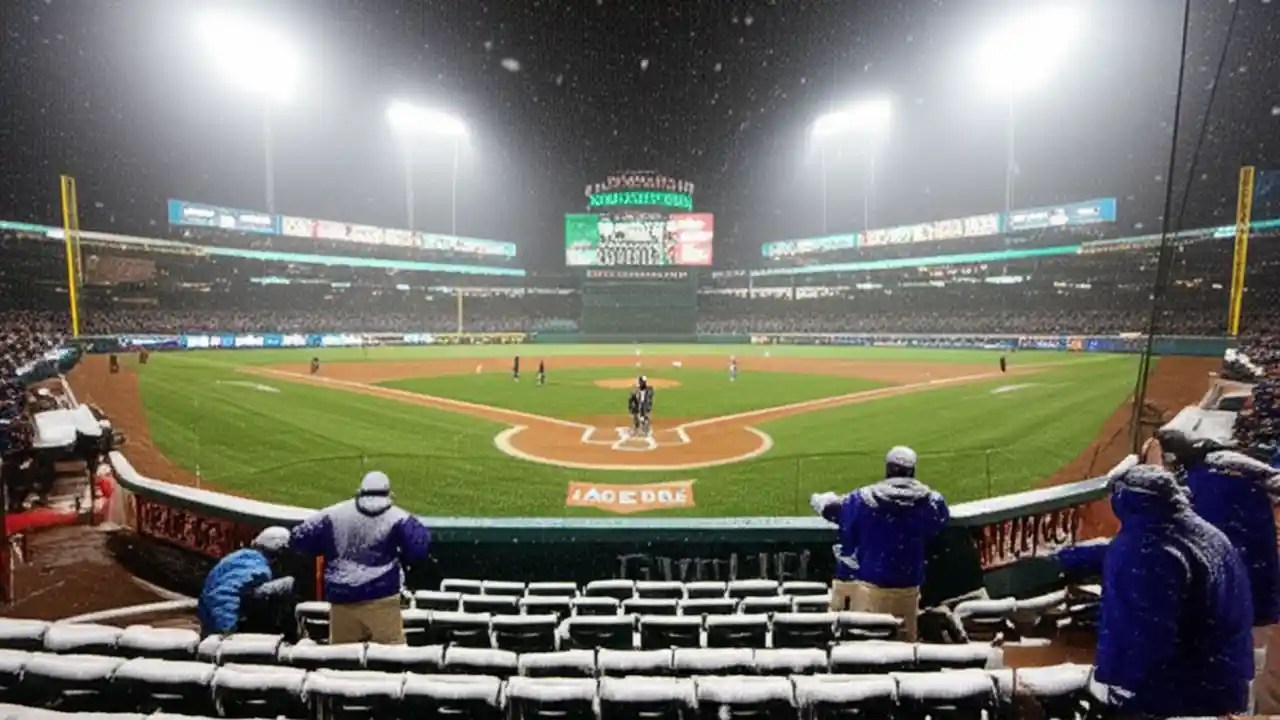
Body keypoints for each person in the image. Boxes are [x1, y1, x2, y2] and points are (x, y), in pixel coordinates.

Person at [1056, 463, 1254, 717]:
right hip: (1226, 686)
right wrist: (1070, 558)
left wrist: (1119, 687)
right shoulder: (1206, 534)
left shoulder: (1143, 550)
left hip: (1176, 700)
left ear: (1125, 498)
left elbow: (1143, 637)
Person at [1156, 428, 1280, 712]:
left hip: (1225, 595)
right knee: (1252, 660)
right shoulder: (1247, 480)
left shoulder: (1196, 491)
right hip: (1261, 587)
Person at [809, 446, 949, 641]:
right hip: (909, 589)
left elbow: (834, 509)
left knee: (869, 641)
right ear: (913, 471)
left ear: (888, 469)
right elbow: (939, 521)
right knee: (905, 646)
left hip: (871, 589)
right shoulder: (931, 502)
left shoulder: (863, 499)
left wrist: (819, 499)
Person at [289, 471, 431, 644]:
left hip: (342, 597)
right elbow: (418, 548)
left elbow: (299, 538)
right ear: (388, 492)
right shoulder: (398, 516)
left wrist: (326, 550)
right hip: (382, 597)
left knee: (343, 660)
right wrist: (398, 554)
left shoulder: (334, 514)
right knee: (391, 658)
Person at [197, 526, 297, 639]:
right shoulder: (258, 567)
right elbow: (223, 595)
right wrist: (228, 634)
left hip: (211, 625)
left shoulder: (241, 557)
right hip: (221, 630)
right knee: (288, 585)